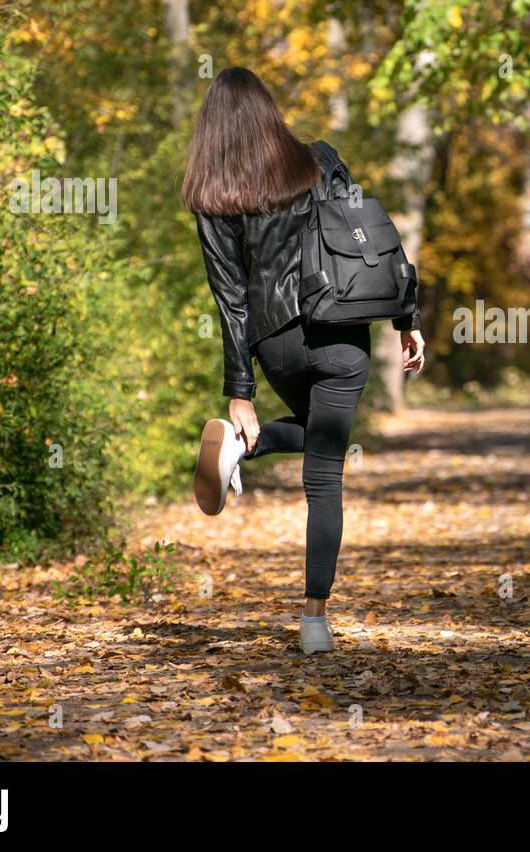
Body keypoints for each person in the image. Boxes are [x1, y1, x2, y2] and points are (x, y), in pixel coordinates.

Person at [182, 67, 424, 654]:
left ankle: (249, 442)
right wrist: (405, 317)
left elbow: (232, 299)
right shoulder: (318, 160)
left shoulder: (214, 197)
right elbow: (370, 240)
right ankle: (314, 619)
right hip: (343, 330)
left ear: (212, 129)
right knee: (325, 472)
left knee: (321, 447)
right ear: (269, 112)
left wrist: (241, 393)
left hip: (277, 340)